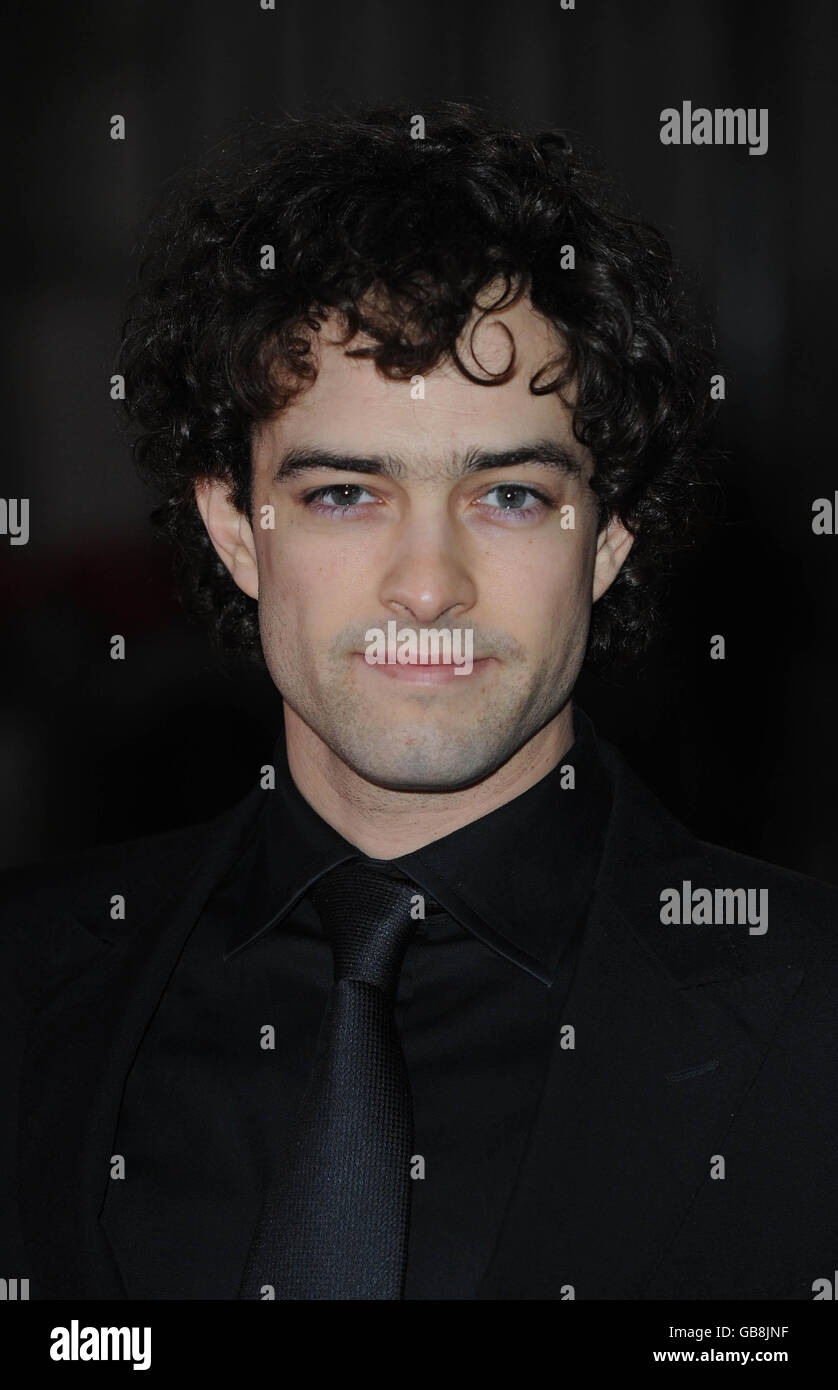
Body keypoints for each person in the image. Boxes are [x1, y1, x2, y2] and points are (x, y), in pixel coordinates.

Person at [2, 102, 836, 1302]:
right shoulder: (29, 975)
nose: (429, 584)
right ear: (237, 525)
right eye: (346, 492)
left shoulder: (813, 1015)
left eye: (507, 496)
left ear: (606, 539)